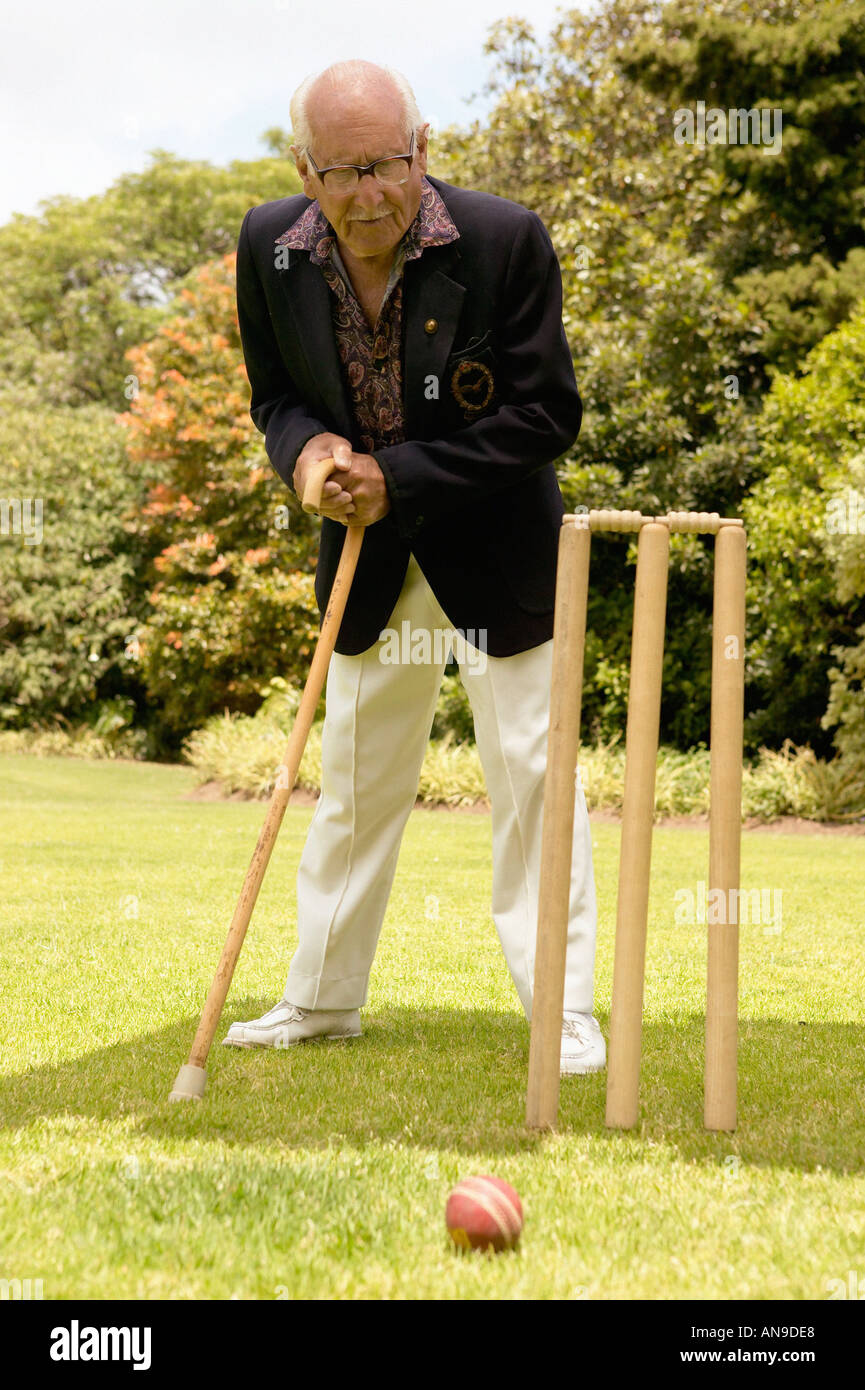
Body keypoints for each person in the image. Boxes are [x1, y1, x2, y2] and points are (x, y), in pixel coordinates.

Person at [224, 59, 605, 1075]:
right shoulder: (269, 248)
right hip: (365, 558)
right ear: (305, 169)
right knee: (353, 781)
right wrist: (309, 461)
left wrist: (399, 476)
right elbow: (277, 399)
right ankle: (320, 998)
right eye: (341, 173)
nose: (368, 195)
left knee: (533, 779)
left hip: (496, 552)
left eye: (386, 166)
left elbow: (543, 415)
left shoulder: (502, 240)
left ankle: (562, 1012)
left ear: (421, 151)